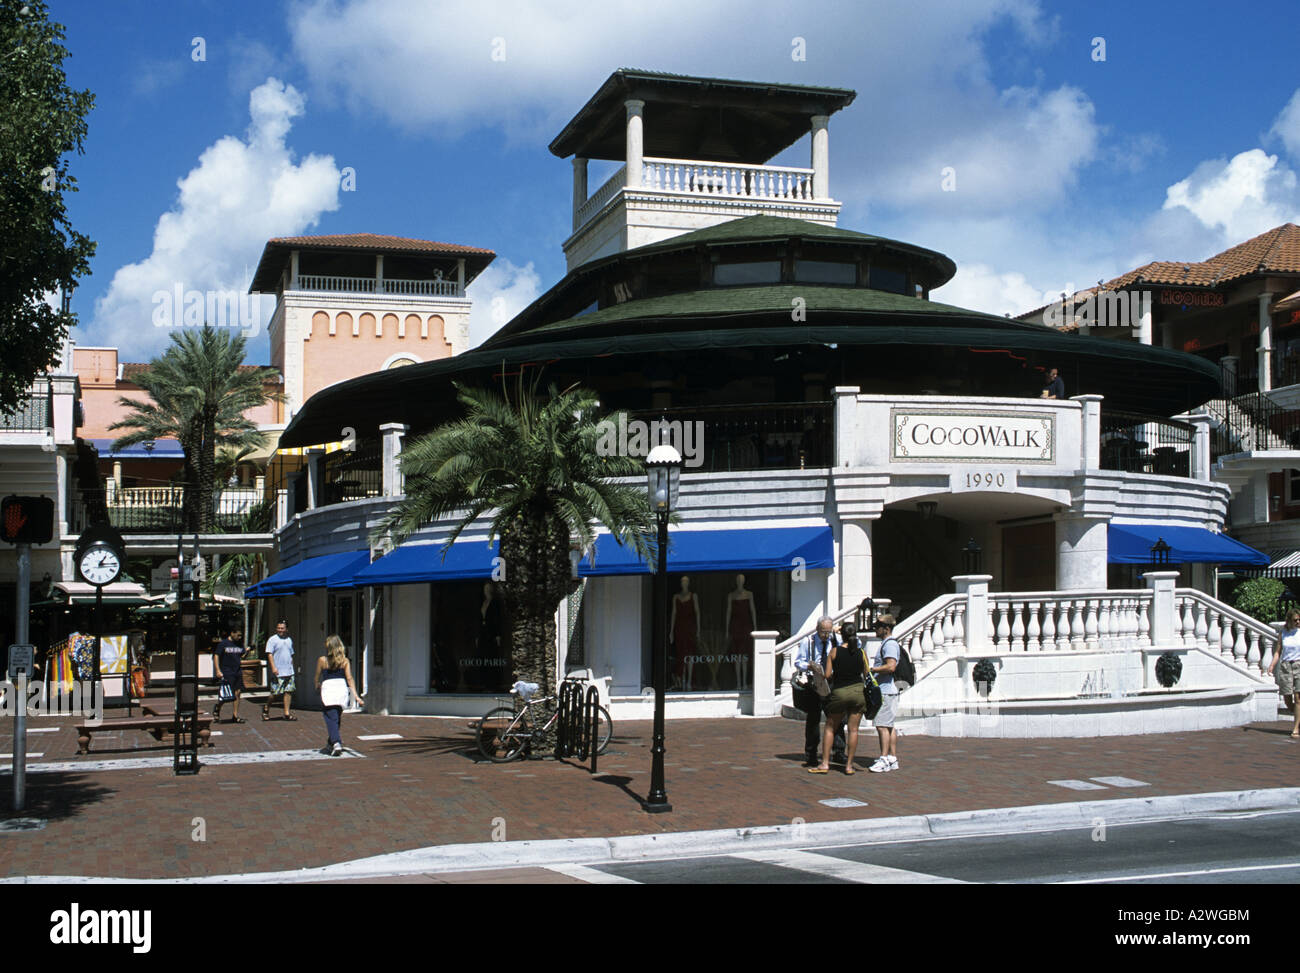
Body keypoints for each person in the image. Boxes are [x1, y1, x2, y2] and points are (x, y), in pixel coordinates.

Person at [809, 621, 865, 775]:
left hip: (840, 692)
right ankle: (849, 766)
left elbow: (827, 675)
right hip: (857, 692)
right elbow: (866, 673)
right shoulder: (861, 652)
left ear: (842, 635)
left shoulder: (834, 652)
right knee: (853, 730)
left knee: (830, 727)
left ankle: (825, 763)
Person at [791, 617, 846, 766]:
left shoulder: (836, 639)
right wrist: (809, 666)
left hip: (831, 682)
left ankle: (839, 751)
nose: (826, 636)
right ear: (817, 629)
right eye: (823, 632)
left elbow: (854, 645)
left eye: (828, 632)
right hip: (814, 683)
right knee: (813, 719)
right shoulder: (807, 642)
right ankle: (811, 754)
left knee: (836, 718)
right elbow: (798, 662)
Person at [316, 635, 363, 756]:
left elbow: (317, 676)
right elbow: (349, 678)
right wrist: (356, 696)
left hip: (328, 689)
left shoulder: (322, 660)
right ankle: (330, 743)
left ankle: (336, 742)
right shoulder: (345, 661)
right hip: (341, 688)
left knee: (329, 716)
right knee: (336, 716)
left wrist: (317, 685)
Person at [868, 614, 902, 772]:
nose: (876, 629)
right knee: (889, 726)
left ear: (886, 628)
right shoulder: (887, 643)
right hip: (888, 690)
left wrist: (873, 669)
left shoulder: (889, 645)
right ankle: (892, 758)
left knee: (882, 725)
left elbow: (891, 666)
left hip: (886, 691)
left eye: (878, 626)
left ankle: (883, 759)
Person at [1268, 608, 1300, 738]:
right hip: (1286, 666)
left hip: (1299, 664)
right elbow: (1278, 651)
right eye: (1295, 620)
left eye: (1299, 620)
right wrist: (1271, 665)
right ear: (1289, 621)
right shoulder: (1283, 634)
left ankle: (1296, 728)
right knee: (1287, 698)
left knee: (1298, 698)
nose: (1298, 622)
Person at [262, 620, 297, 721]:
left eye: (282, 628)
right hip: (278, 671)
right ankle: (266, 708)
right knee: (275, 693)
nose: (280, 630)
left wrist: (293, 668)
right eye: (278, 628)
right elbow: (269, 654)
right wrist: (273, 667)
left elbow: (291, 655)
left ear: (286, 629)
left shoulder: (289, 640)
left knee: (288, 691)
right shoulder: (272, 640)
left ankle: (286, 713)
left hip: (289, 671)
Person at [212, 628, 246, 723]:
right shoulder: (223, 643)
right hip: (227, 671)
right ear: (232, 633)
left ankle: (235, 716)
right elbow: (216, 656)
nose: (239, 637)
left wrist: (247, 650)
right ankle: (218, 707)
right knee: (226, 694)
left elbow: (241, 655)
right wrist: (218, 670)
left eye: (240, 635)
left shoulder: (239, 643)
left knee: (237, 693)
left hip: (237, 671)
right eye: (238, 635)